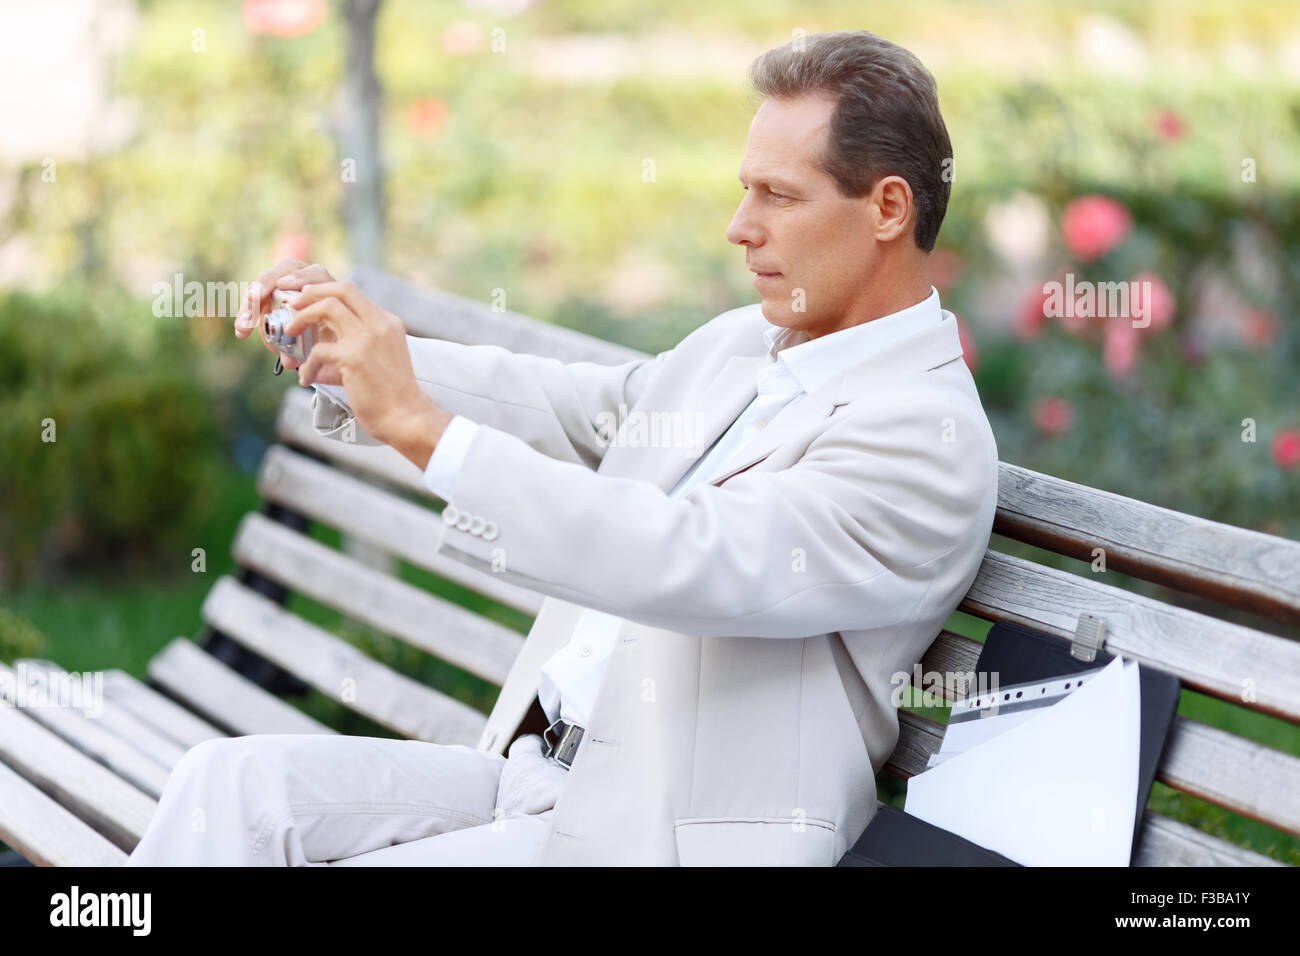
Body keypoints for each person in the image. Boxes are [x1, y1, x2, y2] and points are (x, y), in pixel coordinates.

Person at [126, 29, 998, 866]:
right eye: (745, 189)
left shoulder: (924, 439)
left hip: (652, 837)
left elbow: (681, 556)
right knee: (227, 787)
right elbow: (575, 408)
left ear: (888, 206)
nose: (739, 225)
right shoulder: (745, 344)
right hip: (532, 779)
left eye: (779, 195)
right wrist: (352, 352)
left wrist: (425, 433)